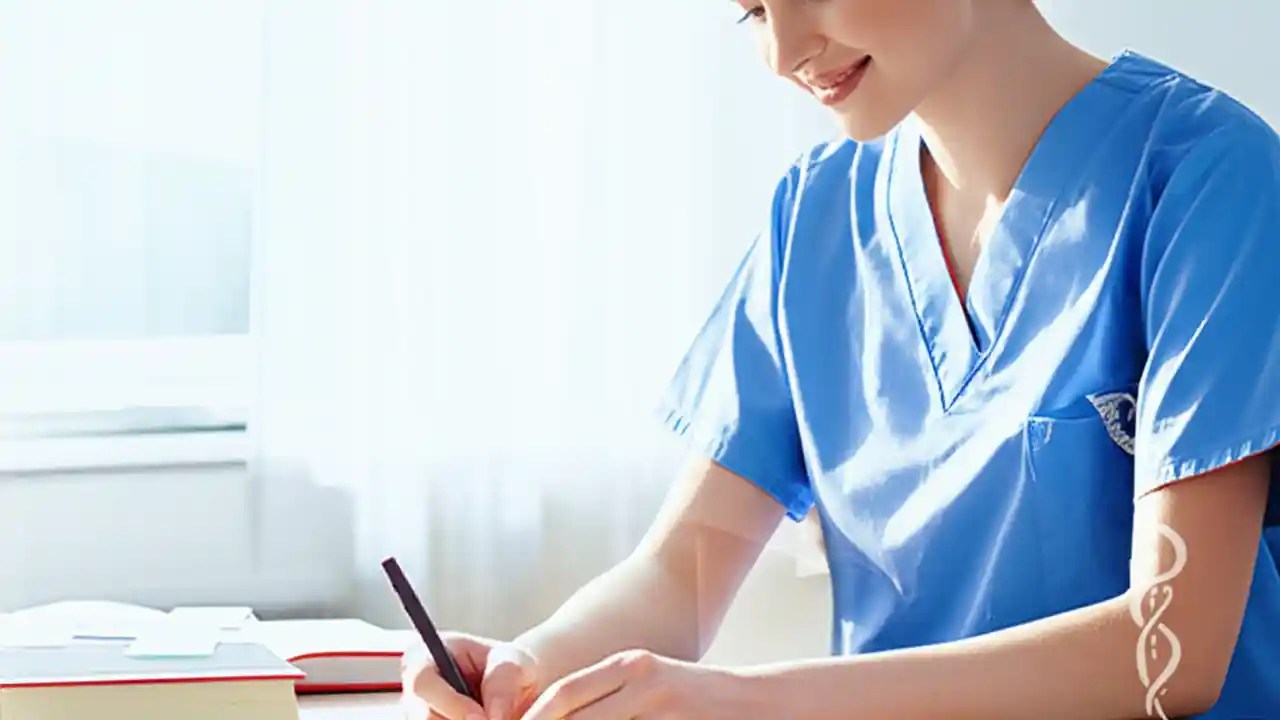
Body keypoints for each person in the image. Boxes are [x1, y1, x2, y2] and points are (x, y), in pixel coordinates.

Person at [404, 1, 1280, 718]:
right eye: (750, 10)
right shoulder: (817, 219)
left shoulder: (1212, 181)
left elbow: (1169, 651)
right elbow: (684, 573)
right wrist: (527, 665)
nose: (785, 50)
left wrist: (750, 701)